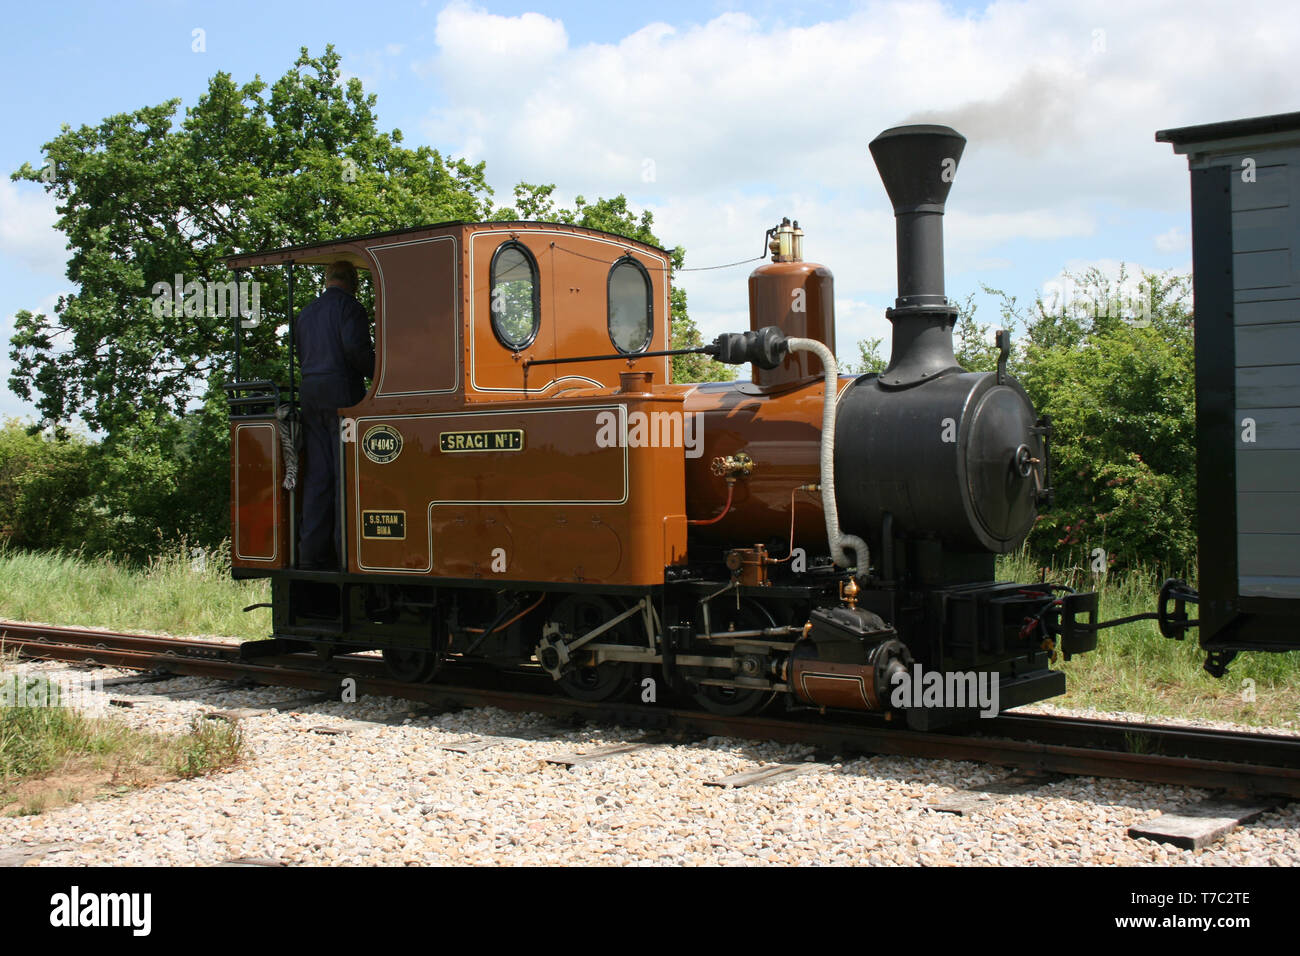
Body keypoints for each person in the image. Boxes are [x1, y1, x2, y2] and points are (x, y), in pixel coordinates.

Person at [296, 260, 374, 570]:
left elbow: (301, 353)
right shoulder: (350, 309)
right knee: (347, 475)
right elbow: (356, 351)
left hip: (310, 393)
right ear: (353, 282)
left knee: (318, 475)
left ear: (327, 278)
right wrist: (381, 374)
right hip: (341, 393)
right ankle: (346, 553)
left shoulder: (305, 313)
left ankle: (312, 554)